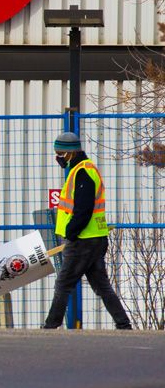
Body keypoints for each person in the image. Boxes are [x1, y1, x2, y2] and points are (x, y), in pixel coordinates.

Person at [42, 132, 133, 330]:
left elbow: (83, 209)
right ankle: (124, 324)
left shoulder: (82, 173)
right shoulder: (85, 169)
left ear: (70, 153)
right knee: (102, 286)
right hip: (95, 238)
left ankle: (50, 327)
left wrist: (71, 233)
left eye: (60, 153)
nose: (58, 157)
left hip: (83, 240)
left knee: (63, 284)